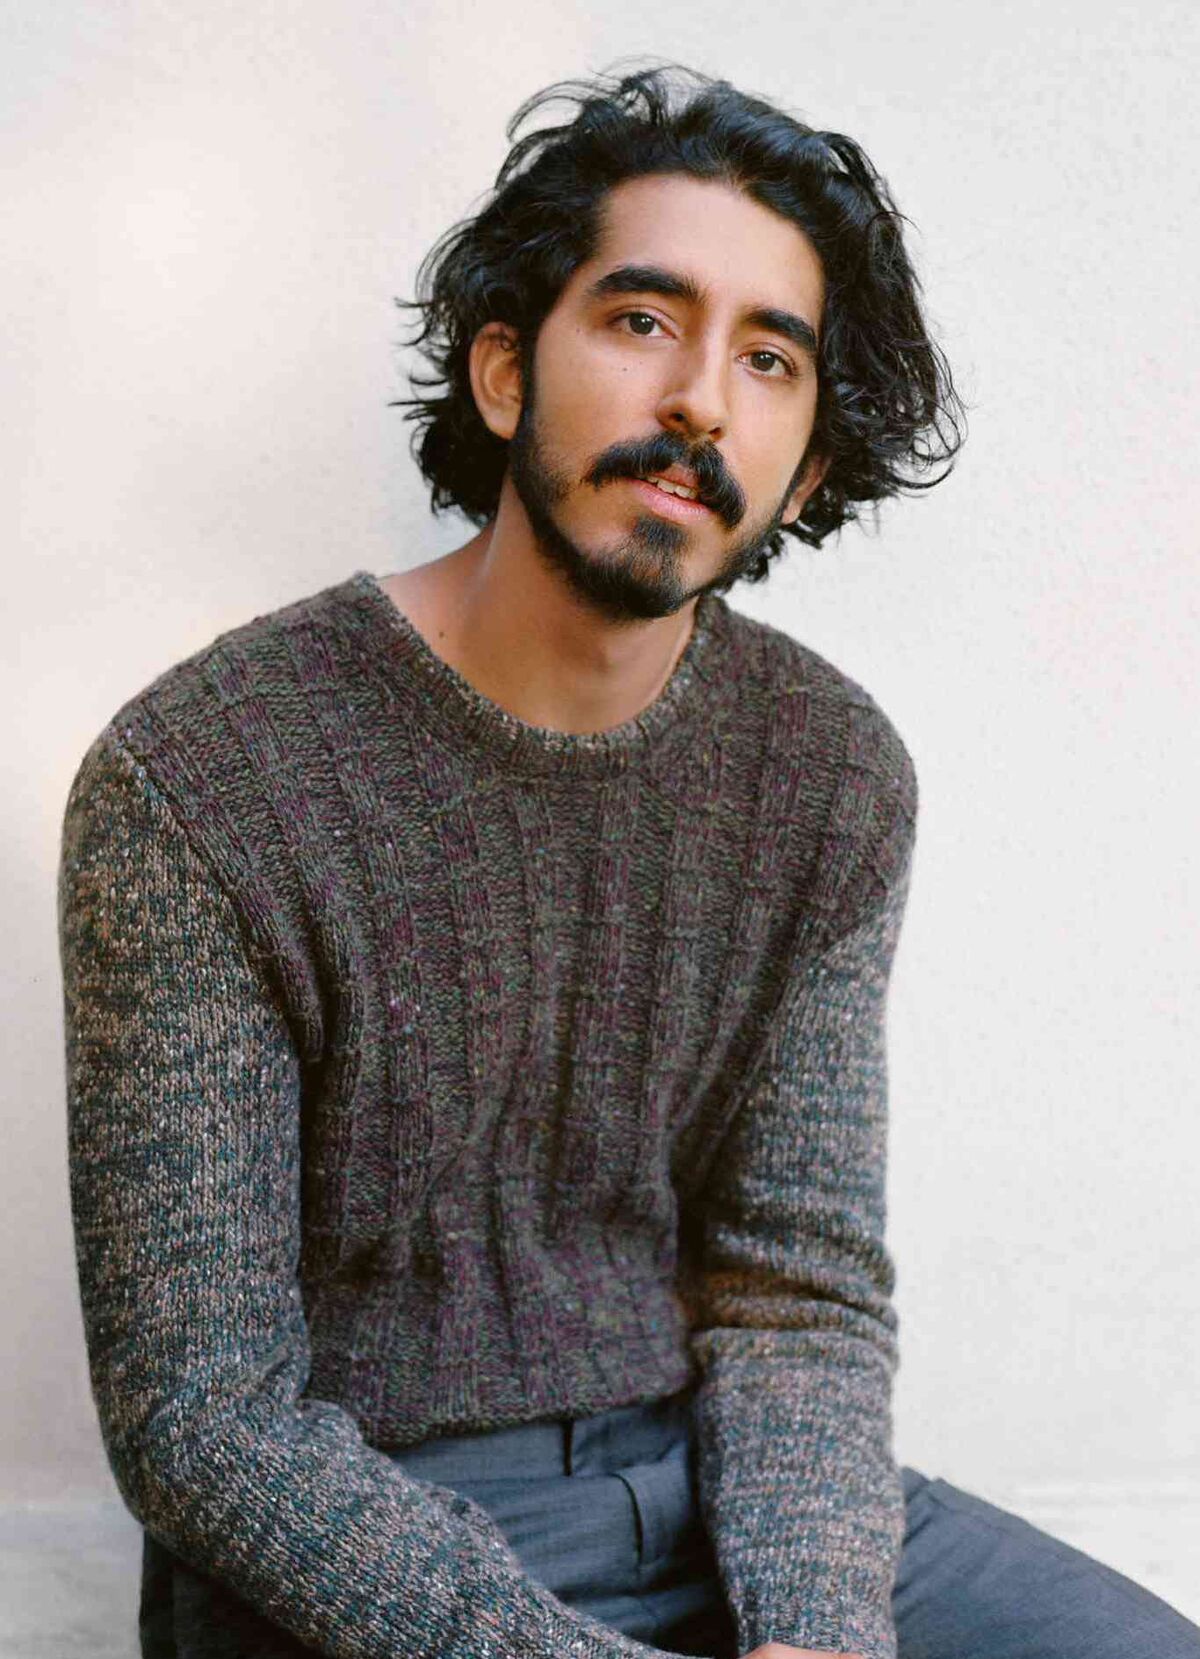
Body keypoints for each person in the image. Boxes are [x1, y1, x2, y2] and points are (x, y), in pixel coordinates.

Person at [56, 60, 1199, 1659]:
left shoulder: (827, 774)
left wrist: (815, 1629)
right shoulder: (203, 779)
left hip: (711, 1482)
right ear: (505, 372)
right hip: (361, 1539)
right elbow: (204, 1422)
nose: (701, 401)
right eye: (644, 319)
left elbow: (795, 1289)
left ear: (805, 469)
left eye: (769, 359)